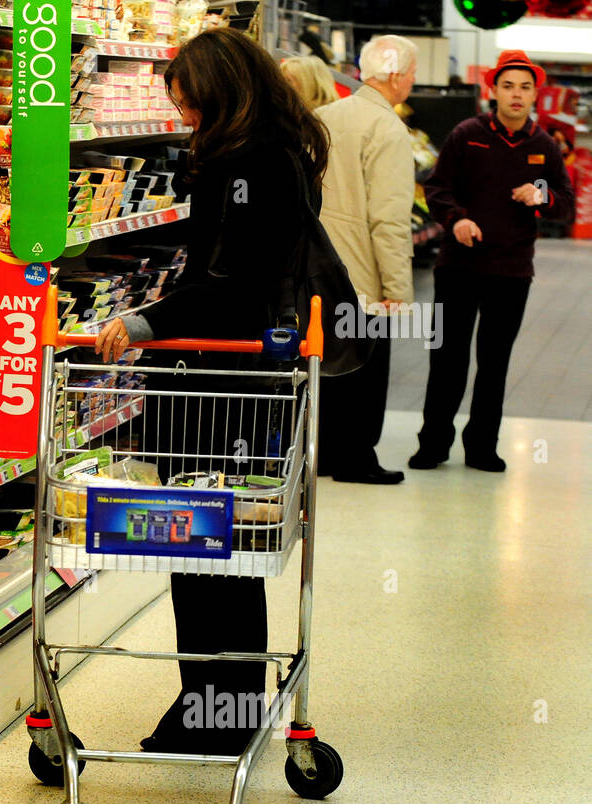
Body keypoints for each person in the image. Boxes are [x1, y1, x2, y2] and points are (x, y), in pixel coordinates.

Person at [94, 28, 328, 757]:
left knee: (207, 549)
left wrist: (143, 321)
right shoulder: (270, 151)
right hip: (230, 382)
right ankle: (217, 706)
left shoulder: (254, 163)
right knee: (215, 551)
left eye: (189, 100)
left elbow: (228, 289)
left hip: (222, 387)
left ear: (223, 90)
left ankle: (217, 713)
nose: (182, 112)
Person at [410, 50, 575, 472]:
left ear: (536, 94)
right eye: (508, 86)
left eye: (524, 87)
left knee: (494, 362)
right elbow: (437, 189)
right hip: (457, 268)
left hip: (511, 272)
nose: (516, 95)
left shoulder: (544, 147)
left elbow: (565, 205)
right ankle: (434, 443)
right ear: (493, 91)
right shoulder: (467, 135)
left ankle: (482, 446)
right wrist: (458, 219)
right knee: (446, 358)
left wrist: (543, 196)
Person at [313, 34, 418, 485]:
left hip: (319, 268)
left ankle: (328, 454)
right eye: (411, 73)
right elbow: (389, 220)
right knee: (367, 370)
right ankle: (358, 457)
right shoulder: (388, 129)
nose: (412, 82)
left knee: (329, 365)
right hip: (366, 275)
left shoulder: (321, 118)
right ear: (395, 75)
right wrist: (398, 289)